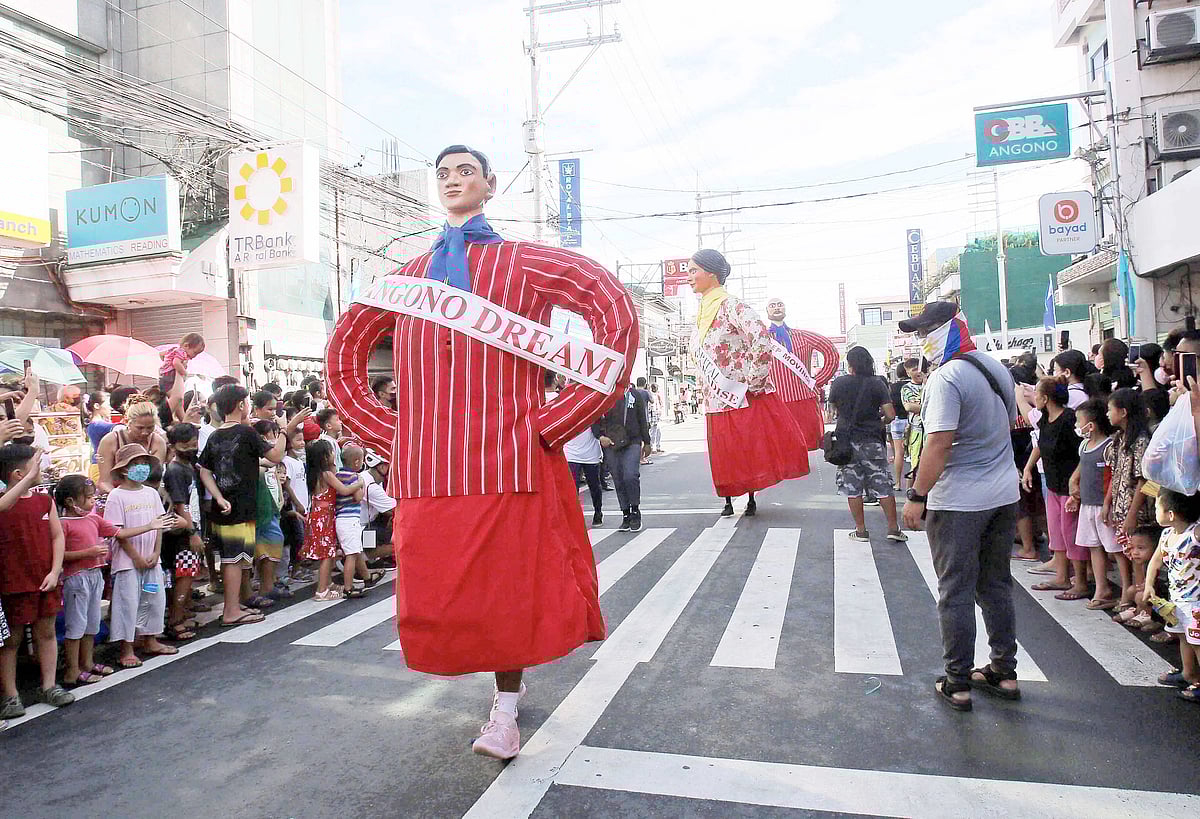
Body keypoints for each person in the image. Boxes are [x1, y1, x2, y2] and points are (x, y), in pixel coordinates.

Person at [324, 143, 637, 761]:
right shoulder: (407, 278)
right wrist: (390, 435)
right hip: (431, 468)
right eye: (442, 173)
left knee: (508, 594)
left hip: (508, 462)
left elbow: (612, 309)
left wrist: (556, 418)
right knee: (440, 595)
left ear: (490, 185)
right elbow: (343, 357)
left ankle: (505, 708)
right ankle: (497, 695)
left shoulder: (521, 263)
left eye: (465, 171)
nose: (452, 181)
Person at [899, 302, 1021, 712]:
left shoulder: (946, 377)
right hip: (1004, 495)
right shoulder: (994, 366)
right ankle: (1004, 672)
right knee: (996, 585)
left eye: (924, 331)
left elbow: (939, 443)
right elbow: (1008, 423)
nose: (921, 340)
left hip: (958, 502)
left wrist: (917, 496)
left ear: (945, 329)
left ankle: (958, 682)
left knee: (955, 591)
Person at [688, 249, 809, 517]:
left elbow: (761, 338)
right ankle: (728, 499)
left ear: (711, 273)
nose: (689, 277)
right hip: (715, 398)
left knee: (746, 450)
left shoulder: (732, 305)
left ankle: (751, 496)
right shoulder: (700, 313)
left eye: (693, 270)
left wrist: (754, 380)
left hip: (740, 395)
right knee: (724, 454)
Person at [198, 384, 305, 627]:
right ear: (240, 405)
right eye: (246, 402)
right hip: (241, 507)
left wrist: (218, 497)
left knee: (233, 559)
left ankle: (235, 606)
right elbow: (275, 456)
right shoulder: (246, 434)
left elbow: (204, 470)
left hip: (223, 508)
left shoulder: (215, 435)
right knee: (235, 561)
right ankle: (231, 611)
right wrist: (285, 430)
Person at [56, 474, 173, 682]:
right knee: (76, 625)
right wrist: (88, 552)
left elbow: (119, 533)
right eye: (89, 498)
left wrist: (149, 527)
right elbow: (58, 555)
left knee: (92, 622)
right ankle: (72, 670)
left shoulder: (93, 519)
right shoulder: (62, 524)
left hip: (95, 577)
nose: (94, 501)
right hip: (76, 578)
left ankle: (88, 663)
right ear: (71, 502)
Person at [0, 444, 74, 716]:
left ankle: (49, 685)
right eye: (36, 466)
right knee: (11, 640)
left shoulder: (45, 500)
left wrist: (55, 571)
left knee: (46, 632)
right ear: (19, 474)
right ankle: (10, 694)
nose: (41, 471)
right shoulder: (3, 502)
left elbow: (57, 536)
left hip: (45, 578)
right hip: (14, 581)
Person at [103, 443, 178, 667]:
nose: (142, 468)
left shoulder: (152, 494)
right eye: (136, 464)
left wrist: (156, 553)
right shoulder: (116, 496)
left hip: (152, 562)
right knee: (128, 603)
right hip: (128, 563)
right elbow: (118, 533)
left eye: (144, 464)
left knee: (152, 598)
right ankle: (127, 647)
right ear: (124, 469)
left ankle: (150, 639)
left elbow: (159, 526)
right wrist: (135, 556)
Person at [827, 348, 905, 541]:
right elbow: (891, 415)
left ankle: (861, 531)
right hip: (872, 441)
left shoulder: (839, 383)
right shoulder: (877, 383)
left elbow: (831, 412)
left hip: (846, 443)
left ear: (850, 365)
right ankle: (893, 529)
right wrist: (879, 421)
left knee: (852, 488)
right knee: (883, 485)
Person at [1020, 379, 1085, 601]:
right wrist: (1028, 468)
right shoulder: (1046, 420)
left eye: (1036, 393)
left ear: (1046, 398)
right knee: (1056, 531)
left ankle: (1081, 582)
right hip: (1053, 485)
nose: (1033, 396)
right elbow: (1040, 445)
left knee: (1071, 533)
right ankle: (1061, 577)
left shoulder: (1068, 420)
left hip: (1069, 489)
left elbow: (1083, 452)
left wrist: (1075, 482)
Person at [1066, 400, 1124, 610]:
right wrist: (1075, 488)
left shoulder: (1108, 446)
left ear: (1090, 425)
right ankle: (1102, 588)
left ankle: (1126, 590)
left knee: (1114, 548)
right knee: (1093, 546)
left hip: (1102, 506)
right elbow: (1083, 468)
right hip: (1087, 505)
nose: (1077, 425)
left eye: (1078, 421)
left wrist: (1108, 503)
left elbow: (1114, 477)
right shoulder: (1084, 445)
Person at [1104, 388, 1155, 628]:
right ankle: (1137, 605)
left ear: (1123, 412)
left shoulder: (1141, 440)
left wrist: (1132, 515)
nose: (1107, 413)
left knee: (1143, 560)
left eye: (1110, 409)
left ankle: (1147, 608)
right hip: (1122, 508)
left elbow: (1144, 481)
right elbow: (1115, 475)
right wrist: (1108, 503)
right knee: (1134, 558)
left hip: (1140, 513)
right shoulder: (1119, 439)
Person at [1143, 489, 1200, 702]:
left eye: (1157, 507)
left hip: (1196, 603)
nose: (1155, 510)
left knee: (1197, 642)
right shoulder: (1166, 535)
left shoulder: (1195, 534)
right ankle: (1188, 673)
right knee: (1183, 637)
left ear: (1171, 514)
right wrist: (1149, 585)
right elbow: (1155, 561)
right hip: (1176, 600)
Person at [764, 297, 841, 450]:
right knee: (780, 445)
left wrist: (818, 381)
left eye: (780, 304)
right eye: (772, 306)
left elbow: (831, 351)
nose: (777, 308)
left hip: (803, 398)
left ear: (785, 309)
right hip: (775, 400)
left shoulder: (803, 336)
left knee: (807, 443)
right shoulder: (761, 338)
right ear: (767, 312)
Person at [299, 439, 360, 601]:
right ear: (325, 457)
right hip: (324, 517)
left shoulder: (315, 474)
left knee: (328, 552)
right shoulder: (326, 474)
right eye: (331, 452)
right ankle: (321, 591)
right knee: (327, 554)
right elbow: (345, 490)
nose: (335, 454)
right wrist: (360, 482)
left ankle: (328, 583)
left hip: (318, 514)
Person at [162, 423, 204, 639]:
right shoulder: (176, 470)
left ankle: (181, 612)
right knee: (184, 575)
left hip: (189, 527)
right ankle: (175, 621)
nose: (190, 448)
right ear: (173, 446)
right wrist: (192, 532)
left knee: (187, 574)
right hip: (182, 533)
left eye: (193, 444)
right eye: (185, 445)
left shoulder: (188, 467)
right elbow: (181, 505)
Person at [594, 383, 652, 532]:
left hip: (632, 440)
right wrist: (600, 436)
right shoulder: (602, 394)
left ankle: (635, 510)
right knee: (618, 478)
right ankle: (625, 513)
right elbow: (594, 418)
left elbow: (642, 419)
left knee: (630, 475)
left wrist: (647, 442)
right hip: (611, 442)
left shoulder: (634, 394)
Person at [249, 419, 287, 608]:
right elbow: (273, 459)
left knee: (273, 541)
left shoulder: (261, 459)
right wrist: (286, 430)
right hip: (252, 510)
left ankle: (268, 586)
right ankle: (253, 592)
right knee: (250, 553)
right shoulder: (250, 458)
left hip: (268, 508)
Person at [95, 401, 169, 494]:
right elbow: (104, 482)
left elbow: (154, 479)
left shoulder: (157, 442)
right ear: (127, 422)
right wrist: (121, 497)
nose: (145, 432)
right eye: (140, 428)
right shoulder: (110, 441)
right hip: (116, 494)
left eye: (150, 427)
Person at [335, 444, 371, 597]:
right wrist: (361, 484)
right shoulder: (354, 477)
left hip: (342, 518)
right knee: (351, 554)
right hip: (350, 519)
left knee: (355, 551)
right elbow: (358, 497)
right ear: (357, 462)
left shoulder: (339, 475)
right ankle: (348, 587)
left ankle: (367, 577)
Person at [565, 416, 604, 527]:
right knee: (572, 487)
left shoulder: (592, 406)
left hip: (591, 452)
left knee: (595, 485)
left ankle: (598, 511)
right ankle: (574, 516)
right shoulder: (566, 405)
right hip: (570, 452)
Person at [160, 332, 205, 424]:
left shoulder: (174, 350)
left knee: (179, 403)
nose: (193, 356)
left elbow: (161, 354)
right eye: (195, 352)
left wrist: (165, 364)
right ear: (186, 345)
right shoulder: (182, 353)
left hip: (165, 377)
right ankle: (184, 420)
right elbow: (176, 363)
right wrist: (184, 372)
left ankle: (184, 420)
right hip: (169, 378)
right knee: (178, 399)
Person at [360, 448, 396, 558]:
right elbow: (396, 508)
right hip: (363, 528)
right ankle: (366, 557)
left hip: (366, 523)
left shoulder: (366, 475)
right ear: (381, 467)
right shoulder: (372, 487)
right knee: (399, 539)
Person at [900, 358, 926, 491]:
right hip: (917, 431)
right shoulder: (906, 388)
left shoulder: (930, 383)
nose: (918, 372)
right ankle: (911, 495)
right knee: (915, 465)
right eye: (914, 369)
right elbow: (909, 406)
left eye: (920, 368)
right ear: (908, 372)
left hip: (932, 430)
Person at [889, 361, 911, 493]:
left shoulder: (893, 387)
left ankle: (897, 483)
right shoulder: (914, 385)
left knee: (898, 453)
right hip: (912, 421)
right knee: (915, 454)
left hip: (897, 421)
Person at [635, 377, 656, 464]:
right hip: (644, 418)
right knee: (644, 438)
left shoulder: (634, 392)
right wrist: (648, 390)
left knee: (637, 439)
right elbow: (652, 401)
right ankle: (642, 458)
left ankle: (637, 458)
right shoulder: (645, 392)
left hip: (634, 418)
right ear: (645, 384)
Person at [648, 383, 665, 454]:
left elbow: (660, 404)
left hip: (657, 416)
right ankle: (652, 447)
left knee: (658, 432)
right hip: (653, 416)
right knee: (653, 432)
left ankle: (658, 447)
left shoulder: (657, 395)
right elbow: (650, 407)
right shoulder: (650, 395)